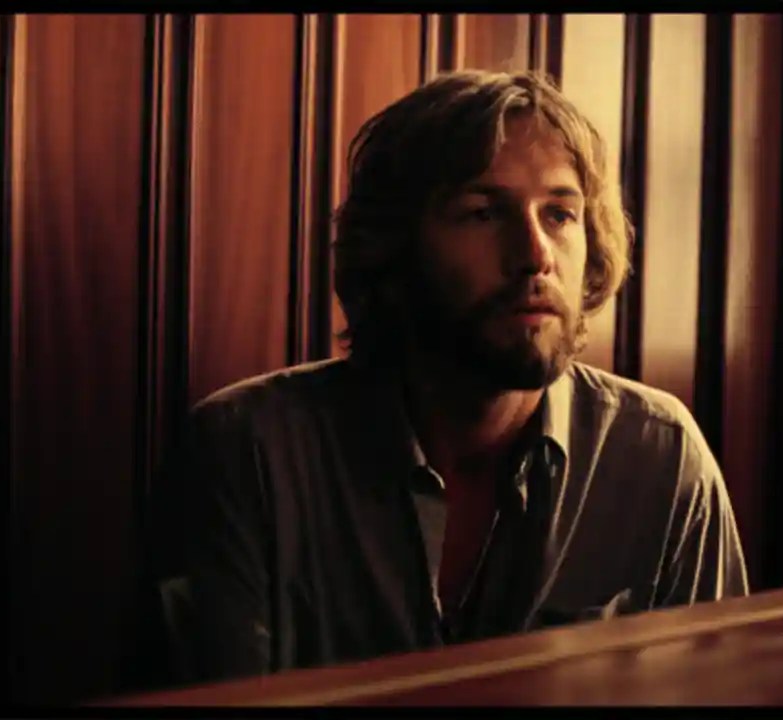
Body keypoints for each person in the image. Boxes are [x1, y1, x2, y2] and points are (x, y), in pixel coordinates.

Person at [141, 69, 748, 687]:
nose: (535, 254)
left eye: (561, 214)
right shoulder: (251, 454)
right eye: (483, 212)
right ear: (395, 250)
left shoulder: (658, 456)